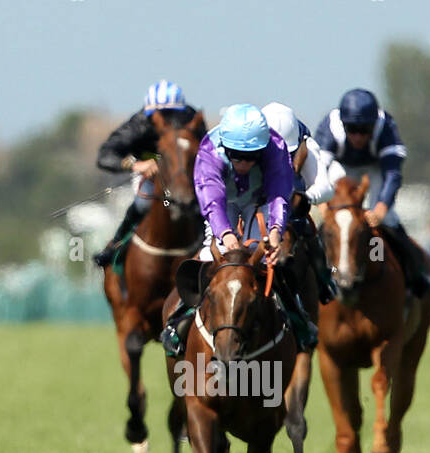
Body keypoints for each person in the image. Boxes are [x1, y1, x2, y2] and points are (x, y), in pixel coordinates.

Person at [160, 103, 315, 354]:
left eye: (251, 156)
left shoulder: (275, 148)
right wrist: (227, 235)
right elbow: (212, 201)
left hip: (260, 201)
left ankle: (298, 319)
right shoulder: (210, 150)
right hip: (224, 203)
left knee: (268, 260)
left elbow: (279, 195)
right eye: (236, 155)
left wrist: (275, 231)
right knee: (213, 256)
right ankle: (179, 319)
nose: (243, 163)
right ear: (224, 146)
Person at [313, 88, 430, 297]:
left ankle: (414, 273)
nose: (358, 136)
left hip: (374, 170)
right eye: (352, 129)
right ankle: (321, 272)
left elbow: (392, 174)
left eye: (364, 129)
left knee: (387, 221)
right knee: (332, 225)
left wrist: (381, 208)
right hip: (340, 169)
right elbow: (319, 170)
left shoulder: (386, 127)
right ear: (343, 124)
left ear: (374, 125)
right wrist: (323, 206)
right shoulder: (330, 128)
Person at [92, 81, 201, 270]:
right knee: (143, 204)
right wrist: (136, 165)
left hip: (184, 178)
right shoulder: (138, 125)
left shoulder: (191, 119)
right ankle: (116, 245)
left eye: (175, 114)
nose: (170, 120)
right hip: (151, 180)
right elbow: (105, 155)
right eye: (164, 115)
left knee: (201, 204)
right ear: (151, 113)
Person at [259, 101, 338, 305]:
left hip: (290, 214)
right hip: (250, 207)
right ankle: (187, 307)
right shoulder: (247, 141)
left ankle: (324, 281)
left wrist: (305, 198)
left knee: (308, 228)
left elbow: (325, 187)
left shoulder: (306, 144)